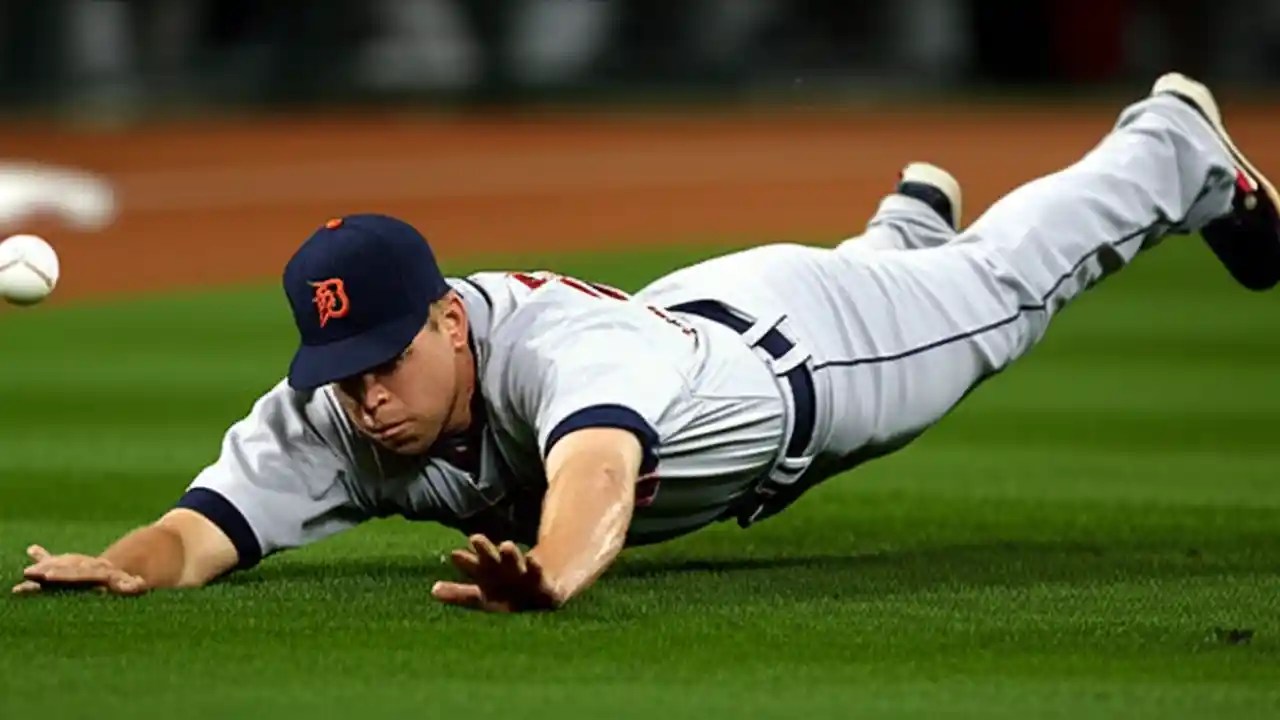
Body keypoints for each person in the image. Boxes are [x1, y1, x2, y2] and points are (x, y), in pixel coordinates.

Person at [14, 73, 1277, 611]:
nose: (365, 398)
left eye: (388, 358)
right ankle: (896, 232)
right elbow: (202, 528)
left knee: (1003, 284)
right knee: (916, 264)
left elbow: (597, 478)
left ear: (448, 318)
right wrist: (122, 565)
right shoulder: (341, 400)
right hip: (705, 304)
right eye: (341, 374)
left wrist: (556, 572)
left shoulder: (558, 354)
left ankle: (1160, 149)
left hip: (809, 363)